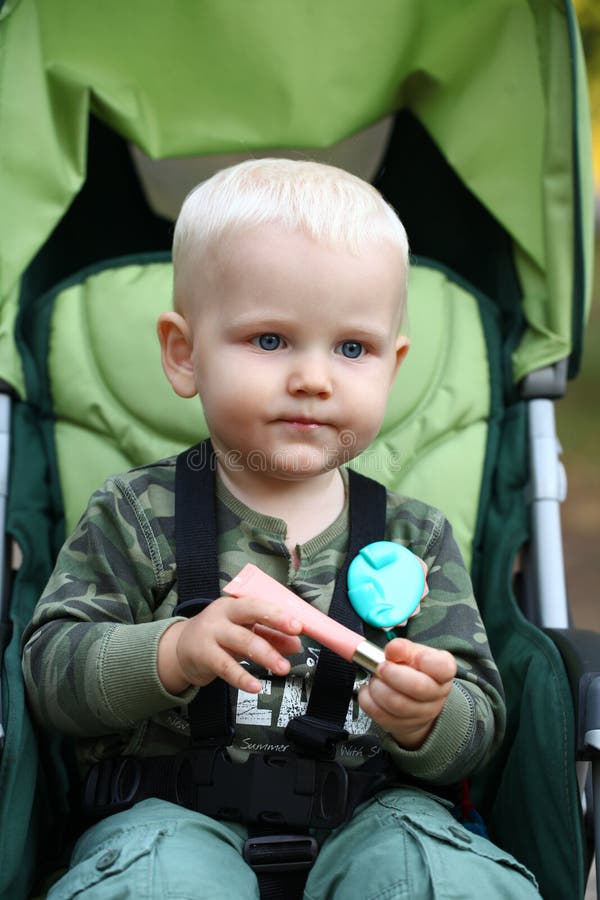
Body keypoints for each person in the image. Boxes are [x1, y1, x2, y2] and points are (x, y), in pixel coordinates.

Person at [22, 159, 539, 899]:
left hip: (372, 815)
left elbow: (479, 724)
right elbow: (50, 676)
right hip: (169, 812)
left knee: (439, 874)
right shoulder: (135, 512)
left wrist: (428, 717)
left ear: (392, 367)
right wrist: (172, 652)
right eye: (269, 340)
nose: (313, 379)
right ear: (183, 353)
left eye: (352, 349)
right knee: (155, 881)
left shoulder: (415, 538)